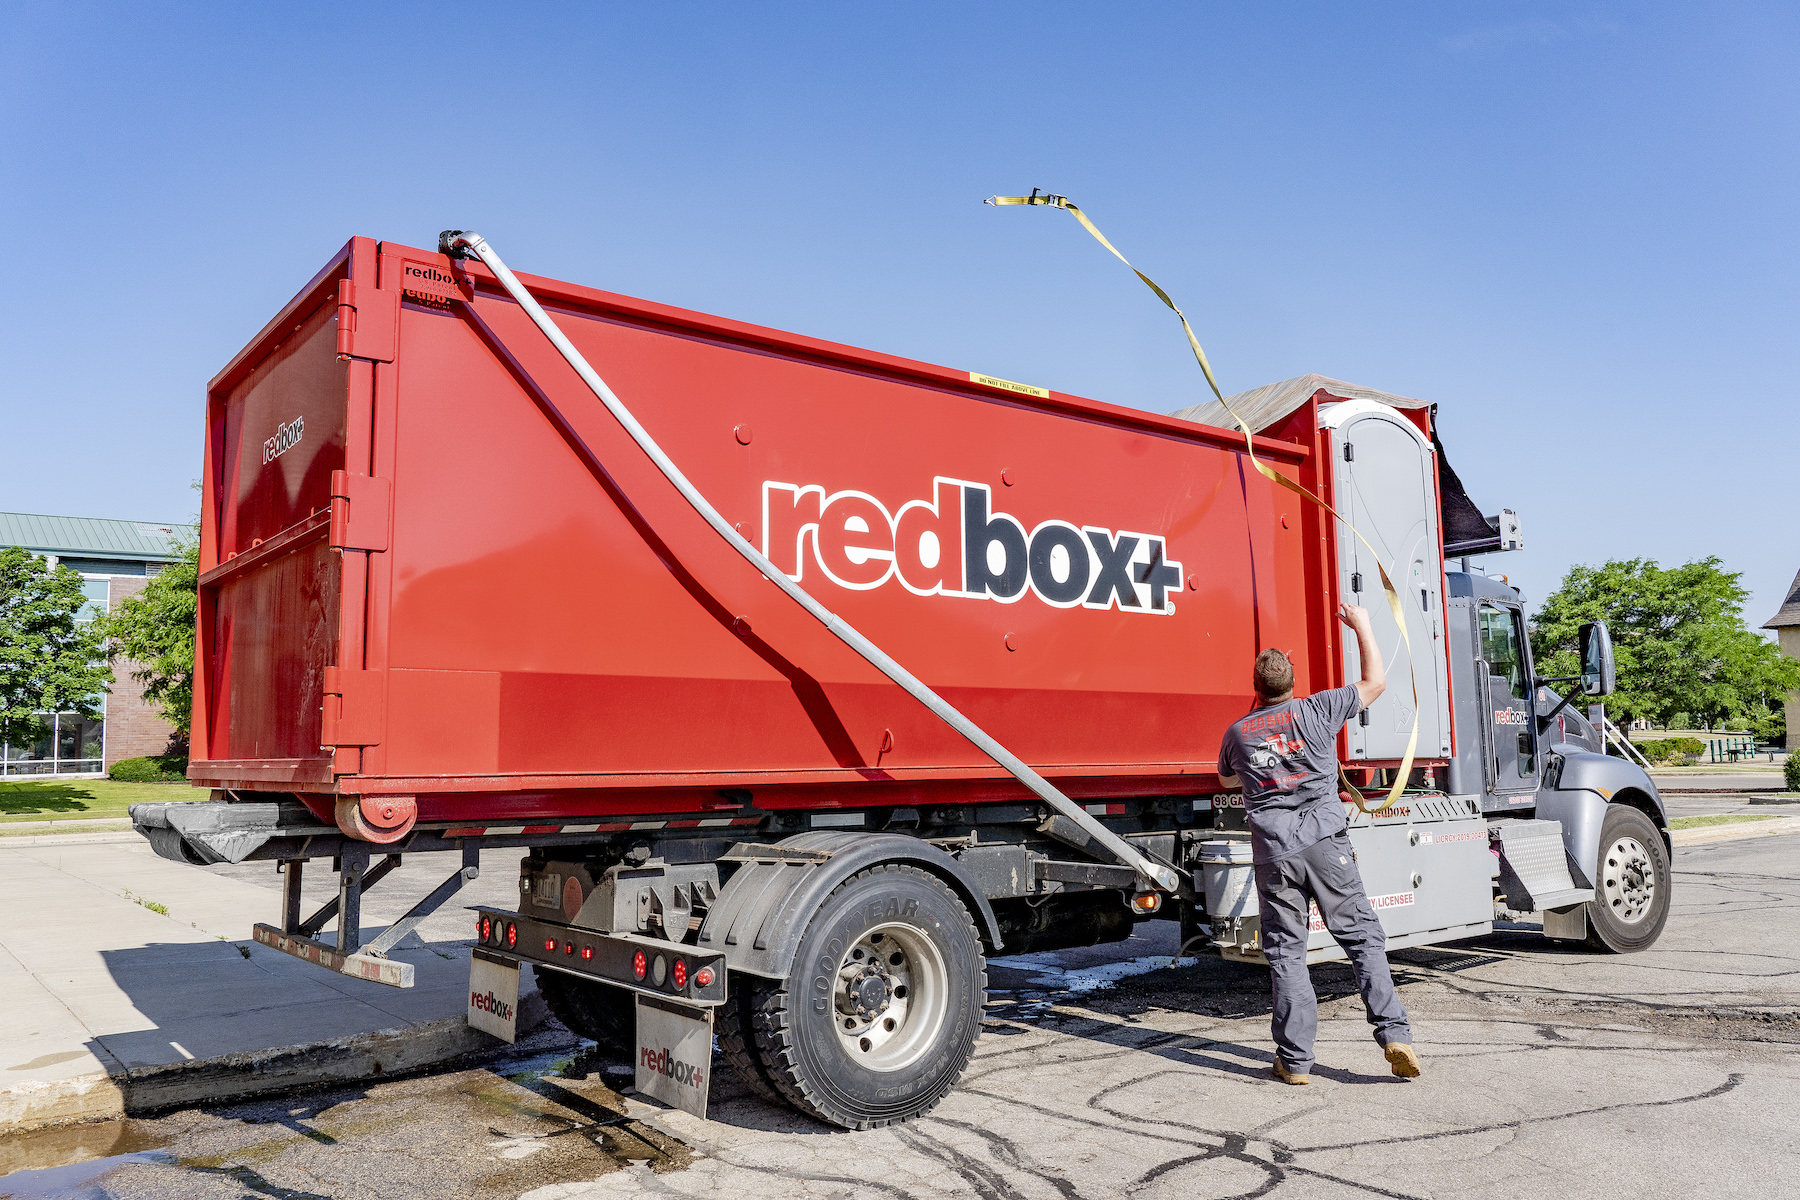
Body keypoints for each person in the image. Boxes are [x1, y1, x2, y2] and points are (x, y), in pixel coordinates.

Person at [1216, 603, 1422, 1084]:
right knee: (1360, 937)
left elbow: (1227, 782)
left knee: (1288, 951)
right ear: (1293, 683)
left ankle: (1294, 1062)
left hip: (1275, 852)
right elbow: (1376, 683)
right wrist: (1363, 625)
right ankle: (1394, 1036)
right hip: (1327, 844)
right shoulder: (1319, 709)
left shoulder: (1237, 734)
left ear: (1256, 688)